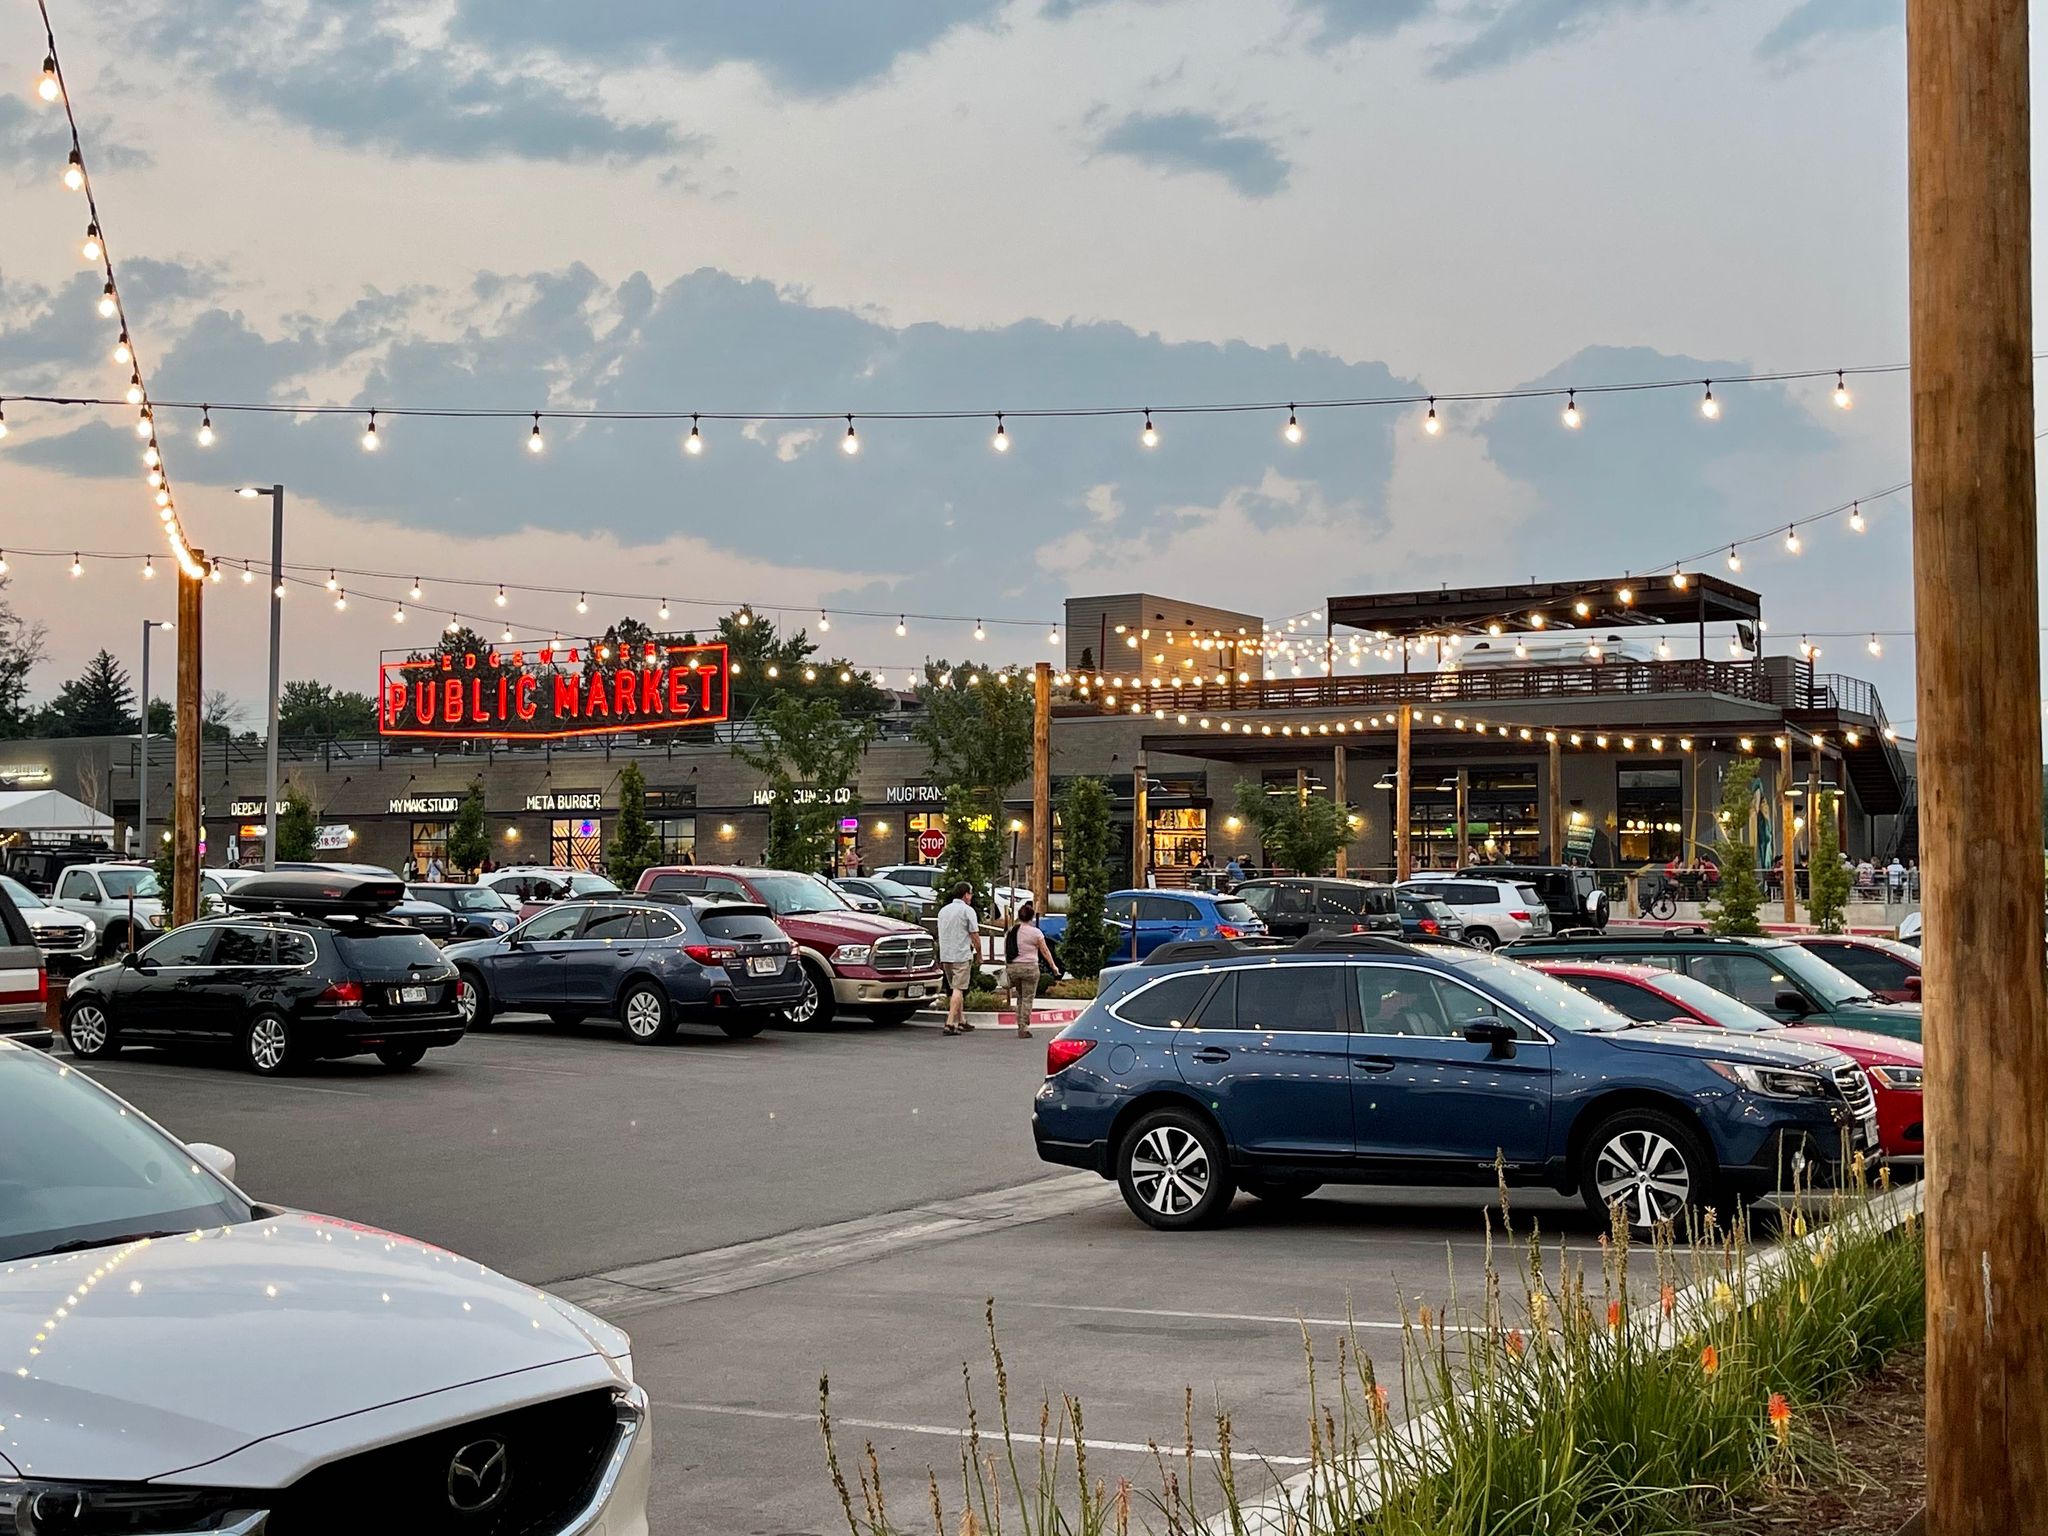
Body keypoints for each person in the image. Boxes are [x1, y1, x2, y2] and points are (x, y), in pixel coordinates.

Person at [1003, 901, 1061, 1040]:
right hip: (1030, 968)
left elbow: (1006, 950)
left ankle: (1019, 1023)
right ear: (1032, 917)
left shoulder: (1011, 931)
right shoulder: (1036, 933)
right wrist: (1053, 967)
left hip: (1014, 968)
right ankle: (1024, 1027)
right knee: (1028, 998)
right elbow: (1045, 951)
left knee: (1020, 996)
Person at [937, 882, 979, 1036]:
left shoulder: (943, 911)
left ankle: (962, 1020)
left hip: (946, 955)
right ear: (965, 894)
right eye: (971, 893)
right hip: (961, 955)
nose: (971, 897)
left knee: (955, 988)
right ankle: (950, 1023)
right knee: (958, 988)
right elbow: (974, 934)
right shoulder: (967, 911)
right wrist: (979, 954)